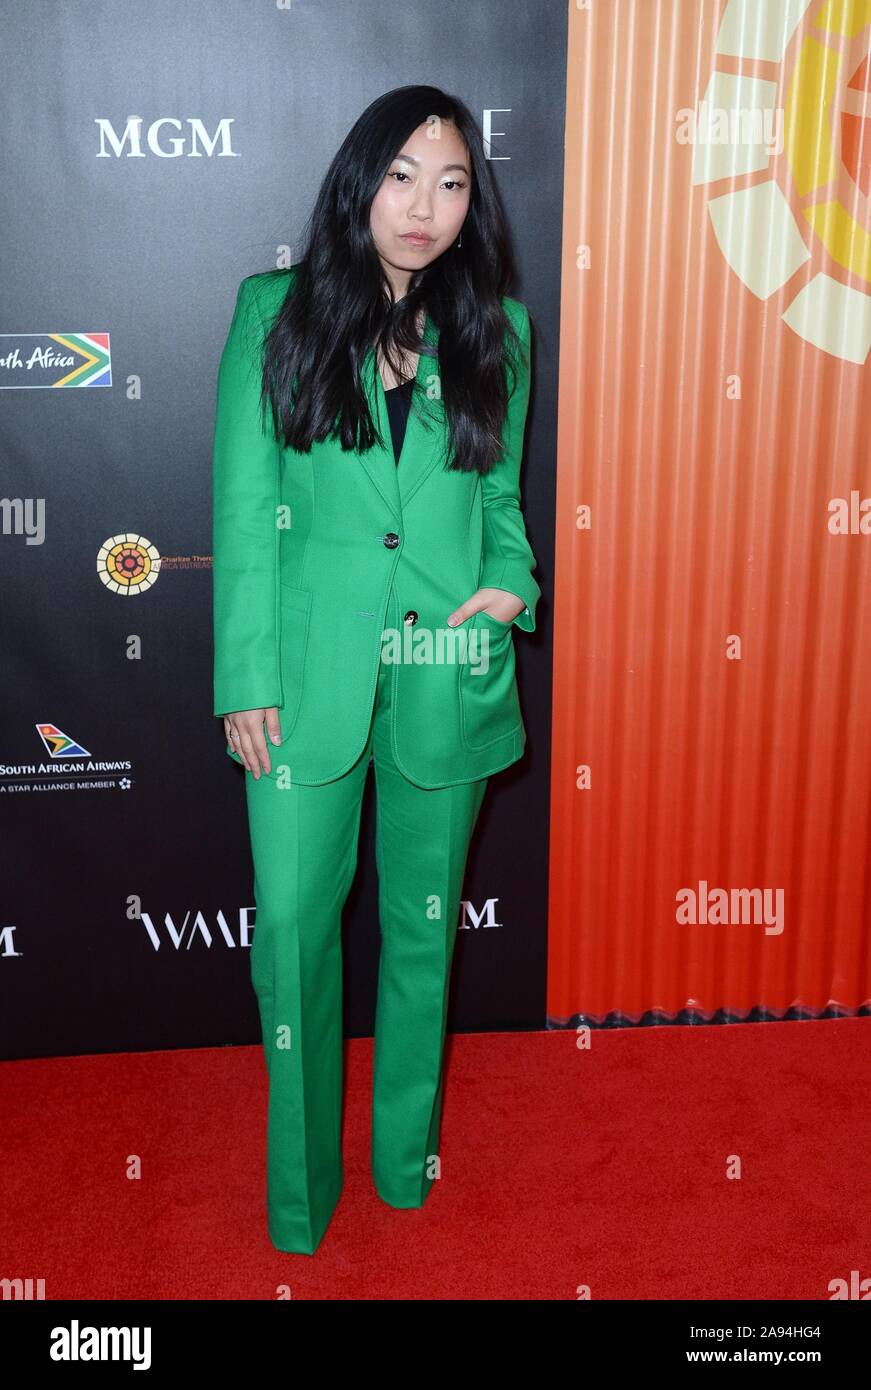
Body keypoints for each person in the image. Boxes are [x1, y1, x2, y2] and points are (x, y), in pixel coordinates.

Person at [212, 84, 541, 1254]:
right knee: (293, 942)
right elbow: (246, 512)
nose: (425, 207)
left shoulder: (497, 330)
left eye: (452, 184)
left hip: (449, 671)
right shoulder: (273, 315)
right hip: (303, 685)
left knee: (420, 939)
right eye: (403, 175)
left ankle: (406, 1171)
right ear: (360, 181)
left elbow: (500, 501)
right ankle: (301, 1203)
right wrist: (244, 676)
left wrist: (512, 583)